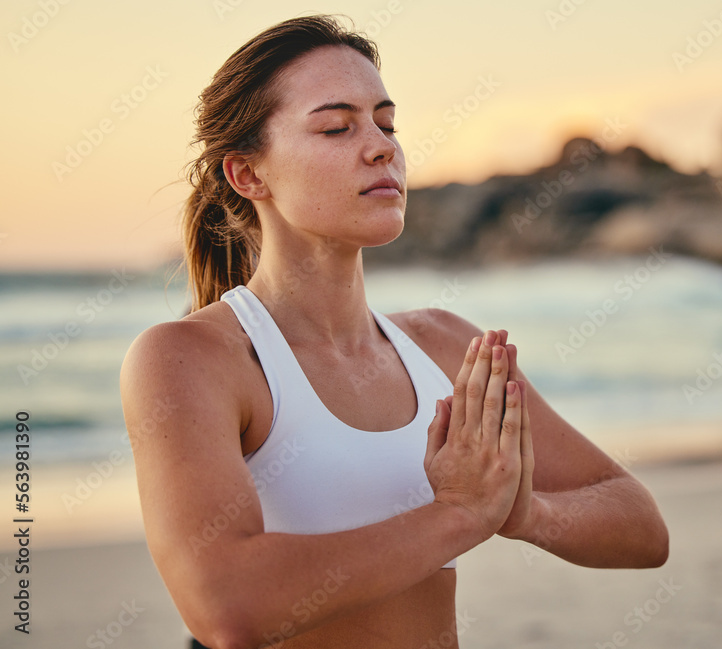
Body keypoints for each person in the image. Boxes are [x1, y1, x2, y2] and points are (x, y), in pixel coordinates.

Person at [120, 14, 669, 649]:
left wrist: (525, 513)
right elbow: (228, 607)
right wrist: (459, 515)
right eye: (336, 126)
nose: (382, 146)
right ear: (248, 175)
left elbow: (641, 526)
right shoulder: (191, 359)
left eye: (387, 123)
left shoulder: (444, 347)